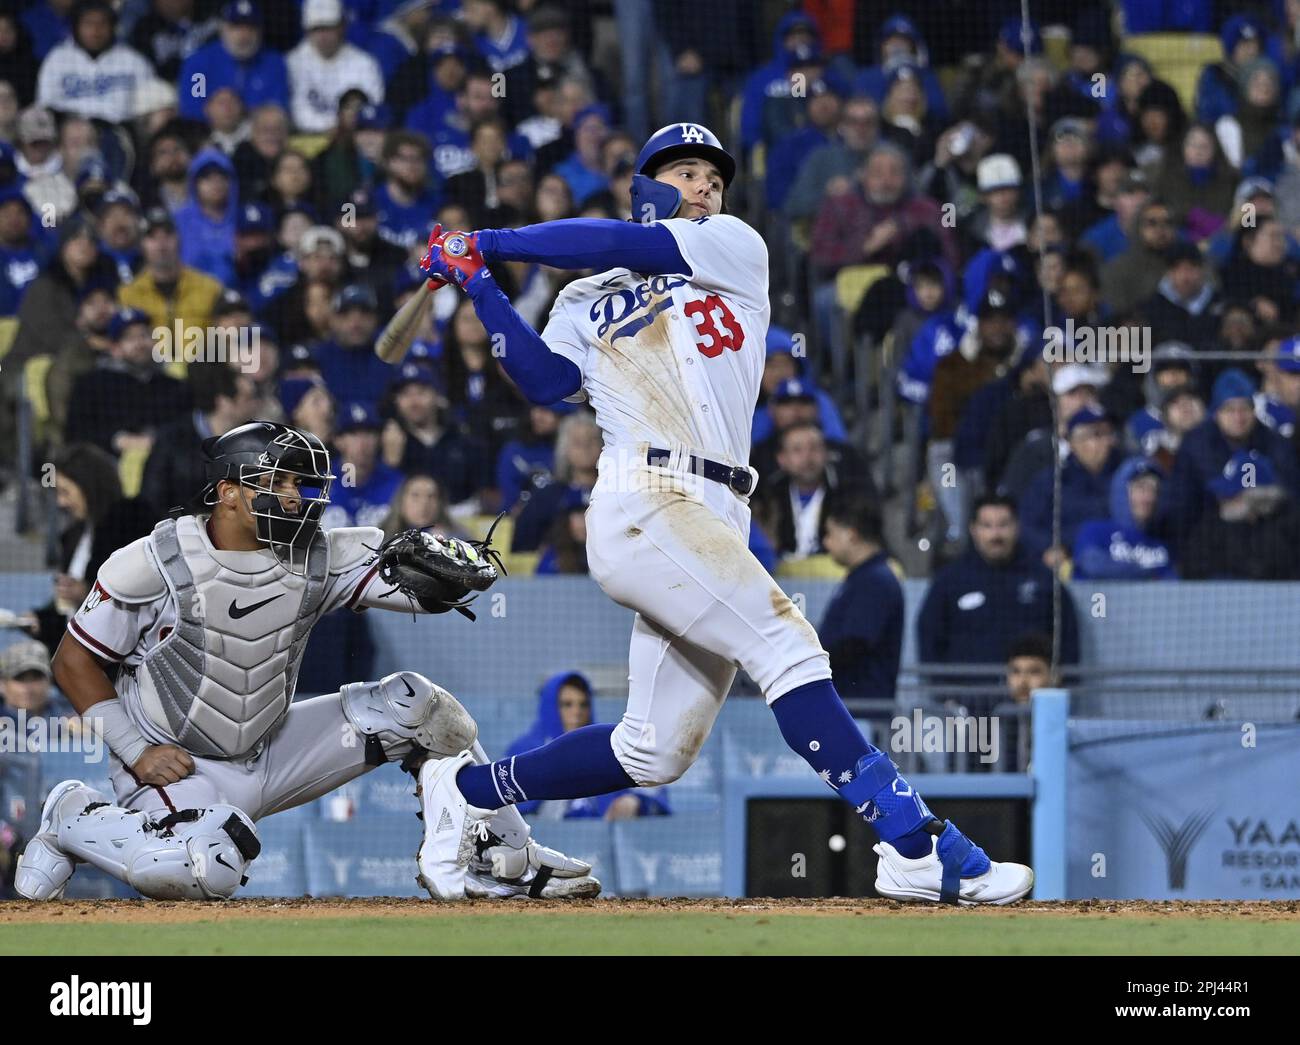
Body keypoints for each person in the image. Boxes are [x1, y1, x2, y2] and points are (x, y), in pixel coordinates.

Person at [411, 122, 1033, 904]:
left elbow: (606, 239)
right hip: (644, 497)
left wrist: (488, 239)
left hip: (717, 507)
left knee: (653, 750)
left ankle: (470, 788)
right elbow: (542, 381)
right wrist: (480, 284)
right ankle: (916, 843)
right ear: (646, 187)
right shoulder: (581, 297)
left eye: (713, 175)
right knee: (787, 645)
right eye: (685, 171)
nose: (705, 185)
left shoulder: (732, 244)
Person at [14, 421, 597, 902]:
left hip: (278, 747)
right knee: (201, 871)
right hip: (180, 765)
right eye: (280, 480)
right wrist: (137, 752)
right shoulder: (152, 561)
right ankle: (72, 815)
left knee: (419, 706)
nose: (295, 495)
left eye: (302, 482)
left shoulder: (321, 552)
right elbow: (73, 662)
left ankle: (507, 855)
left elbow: (411, 586)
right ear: (229, 491)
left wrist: (452, 571)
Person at [917, 493, 1079, 669]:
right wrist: (944, 691)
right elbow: (929, 638)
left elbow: (1068, 636)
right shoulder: (949, 582)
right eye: (987, 526)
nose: (996, 535)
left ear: (1017, 527)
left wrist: (1058, 685)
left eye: (1003, 525)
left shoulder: (1043, 580)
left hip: (1031, 694)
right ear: (973, 530)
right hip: (966, 693)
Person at [506, 673, 667, 819]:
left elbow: (653, 795)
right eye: (567, 704)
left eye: (583, 704)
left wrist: (635, 802)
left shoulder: (609, 747)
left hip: (601, 838)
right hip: (544, 840)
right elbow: (509, 807)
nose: (577, 711)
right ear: (551, 708)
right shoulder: (524, 749)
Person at [818, 498, 902, 705]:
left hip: (862, 709)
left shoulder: (876, 581)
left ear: (851, 534)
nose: (826, 543)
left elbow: (854, 643)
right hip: (851, 707)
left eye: (830, 533)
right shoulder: (862, 577)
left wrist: (812, 662)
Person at [1181, 450, 1300, 579]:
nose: (1221, 499)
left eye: (1231, 495)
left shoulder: (1288, 531)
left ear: (1259, 500)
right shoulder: (1210, 527)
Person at [1072, 458, 1176, 580]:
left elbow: (1172, 587)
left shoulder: (1160, 546)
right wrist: (1145, 573)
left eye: (1154, 489)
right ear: (1121, 490)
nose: (1149, 497)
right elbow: (1092, 565)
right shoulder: (1094, 531)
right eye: (1140, 487)